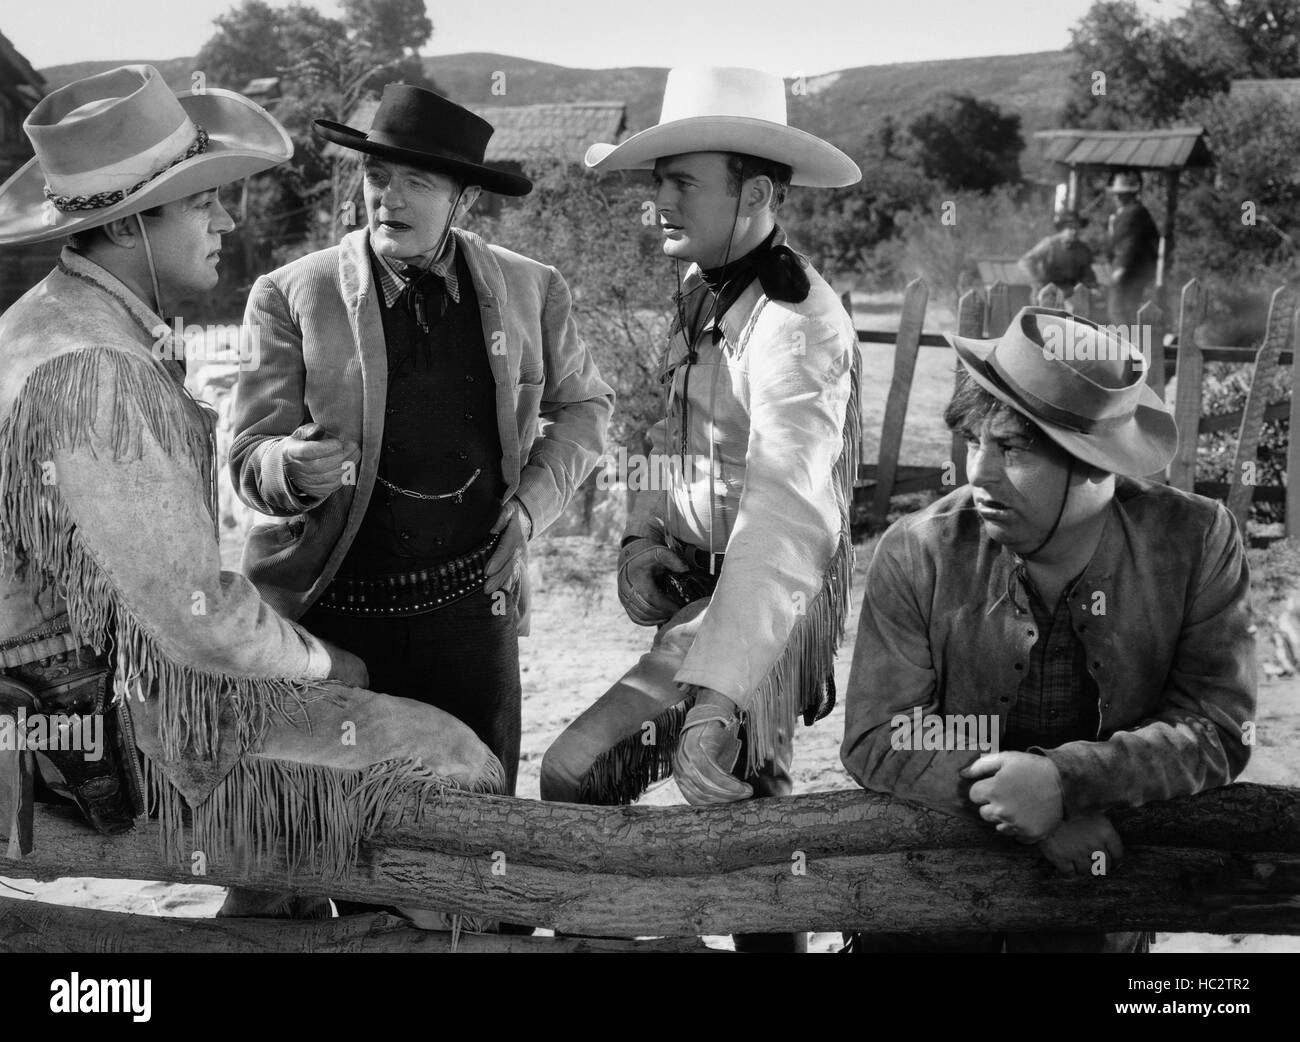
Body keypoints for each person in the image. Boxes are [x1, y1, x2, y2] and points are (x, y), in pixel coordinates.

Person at [0, 66, 504, 894]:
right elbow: (187, 617)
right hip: (107, 730)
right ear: (129, 226)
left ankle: (279, 919)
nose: (225, 220)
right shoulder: (98, 370)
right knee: (452, 755)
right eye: (201, 203)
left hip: (79, 700)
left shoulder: (50, 324)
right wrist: (323, 663)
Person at [541, 67, 862, 952]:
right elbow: (668, 425)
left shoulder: (796, 323)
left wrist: (720, 688)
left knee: (584, 777)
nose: (660, 203)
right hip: (707, 590)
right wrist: (645, 534)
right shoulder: (706, 288)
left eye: (684, 181)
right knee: (751, 826)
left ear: (755, 193)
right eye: (658, 179)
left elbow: (789, 511)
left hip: (763, 600)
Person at [229, 84, 614, 798]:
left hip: (475, 609)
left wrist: (531, 508)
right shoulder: (291, 294)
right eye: (377, 178)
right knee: (345, 825)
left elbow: (587, 406)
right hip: (335, 615)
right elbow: (248, 454)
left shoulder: (532, 289)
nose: (388, 199)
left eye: (416, 182)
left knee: (480, 812)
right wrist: (292, 468)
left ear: (461, 201)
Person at [840, 306, 1256, 952]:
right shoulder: (918, 552)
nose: (977, 472)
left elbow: (1217, 729)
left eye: (1012, 449)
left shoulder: (1194, 545)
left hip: (1095, 908)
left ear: (1096, 463)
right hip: (936, 901)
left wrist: (1067, 780)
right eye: (975, 441)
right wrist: (1029, 809)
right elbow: (877, 736)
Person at [1105, 170, 1160, 325]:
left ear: (1131, 195)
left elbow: (1130, 243)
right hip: (1131, 270)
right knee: (1122, 310)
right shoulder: (1125, 213)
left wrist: (1121, 268)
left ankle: (1126, 345)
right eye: (1116, 194)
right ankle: (1126, 344)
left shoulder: (1134, 213)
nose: (1117, 197)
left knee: (1119, 309)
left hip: (1129, 271)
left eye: (1121, 194)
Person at [1018, 211, 1096, 297]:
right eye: (1070, 228)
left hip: (1070, 294)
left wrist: (1092, 287)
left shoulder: (1082, 249)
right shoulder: (1050, 244)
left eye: (1076, 228)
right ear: (1062, 229)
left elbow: (1087, 273)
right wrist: (1036, 281)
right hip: (1047, 292)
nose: (1074, 232)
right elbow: (1026, 261)